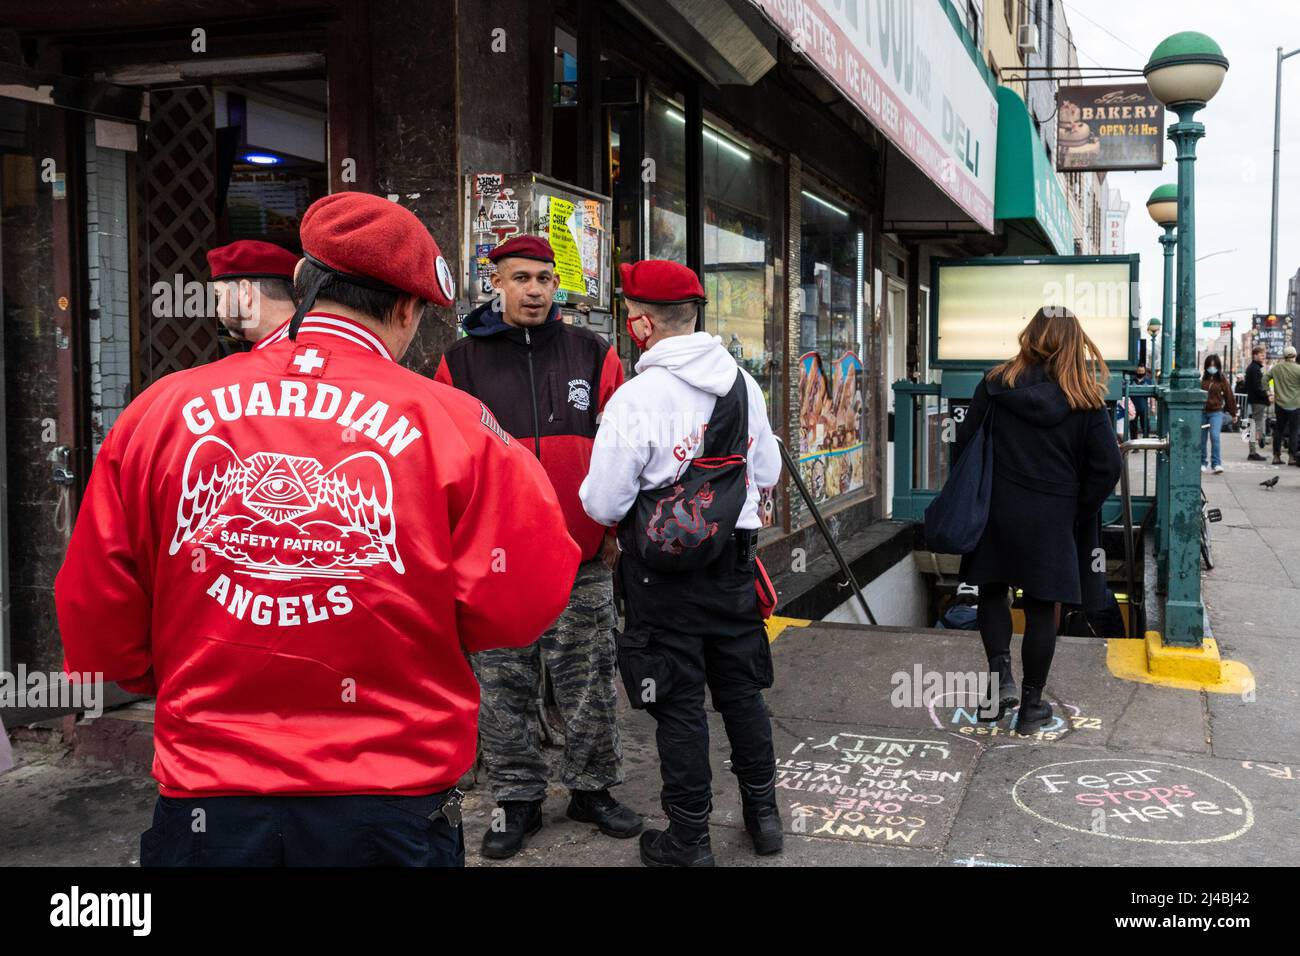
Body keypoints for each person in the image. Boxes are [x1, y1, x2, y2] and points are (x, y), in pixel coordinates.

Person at [56, 192, 582, 867]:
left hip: (209, 801)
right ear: (405, 309)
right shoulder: (454, 423)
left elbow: (96, 609)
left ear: (303, 287)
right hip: (388, 803)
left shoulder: (161, 410)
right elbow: (524, 599)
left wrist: (170, 665)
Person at [434, 234, 642, 858]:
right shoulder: (460, 364)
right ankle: (517, 798)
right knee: (505, 688)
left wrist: (611, 532)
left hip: (581, 559)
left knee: (589, 681)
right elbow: (444, 459)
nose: (534, 290)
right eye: (520, 277)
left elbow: (623, 451)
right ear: (494, 282)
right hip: (498, 565)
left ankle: (592, 788)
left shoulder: (593, 353)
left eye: (545, 279)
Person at [580, 259, 783, 867]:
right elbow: (767, 473)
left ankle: (689, 839)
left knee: (679, 705)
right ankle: (763, 817)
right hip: (735, 571)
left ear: (640, 325)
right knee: (743, 695)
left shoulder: (636, 398)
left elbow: (602, 501)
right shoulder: (745, 386)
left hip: (660, 579)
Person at [953, 307, 1122, 736]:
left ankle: (997, 685)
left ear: (1029, 335)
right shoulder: (1086, 398)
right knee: (1043, 607)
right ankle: (1030, 708)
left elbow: (966, 442)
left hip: (996, 511)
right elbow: (1107, 467)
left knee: (993, 592)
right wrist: (1075, 508)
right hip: (1052, 518)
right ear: (1074, 341)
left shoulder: (995, 385)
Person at [207, 240, 301, 355]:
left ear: (245, 292)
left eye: (219, 294)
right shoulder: (322, 343)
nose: (217, 309)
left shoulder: (238, 370)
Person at [1200, 354, 1237, 474]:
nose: (1212, 367)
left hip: (1216, 413)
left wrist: (1233, 413)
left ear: (1218, 366)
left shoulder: (1222, 380)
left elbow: (1229, 396)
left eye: (1214, 365)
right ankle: (1202, 462)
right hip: (1203, 413)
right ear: (1206, 367)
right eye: (1209, 365)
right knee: (1202, 438)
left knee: (1215, 437)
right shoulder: (1202, 380)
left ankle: (1216, 463)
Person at [1268, 345, 1300, 466]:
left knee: (1279, 431)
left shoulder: (1276, 368)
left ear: (1284, 356)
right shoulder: (1298, 369)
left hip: (1280, 405)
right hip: (1296, 405)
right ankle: (1292, 457)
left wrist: (1268, 392)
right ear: (1295, 355)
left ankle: (1276, 456)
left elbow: (1264, 379)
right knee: (1294, 431)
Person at [1244, 345, 1271, 462]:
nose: (1263, 356)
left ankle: (1254, 449)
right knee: (1256, 426)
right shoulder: (1254, 369)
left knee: (1255, 425)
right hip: (1258, 401)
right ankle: (1253, 452)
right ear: (1255, 355)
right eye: (1261, 354)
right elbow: (1257, 387)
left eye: (1263, 354)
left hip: (1255, 400)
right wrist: (1266, 396)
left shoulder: (1253, 368)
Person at [1127, 364, 1153, 439]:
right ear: (1136, 371)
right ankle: (1135, 447)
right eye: (1139, 371)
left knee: (1145, 426)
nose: (1140, 372)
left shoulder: (1148, 381)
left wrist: (1153, 407)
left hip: (1144, 407)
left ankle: (1146, 443)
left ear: (1144, 372)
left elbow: (1152, 396)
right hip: (1132, 408)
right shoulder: (1131, 381)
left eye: (1142, 371)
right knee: (1133, 427)